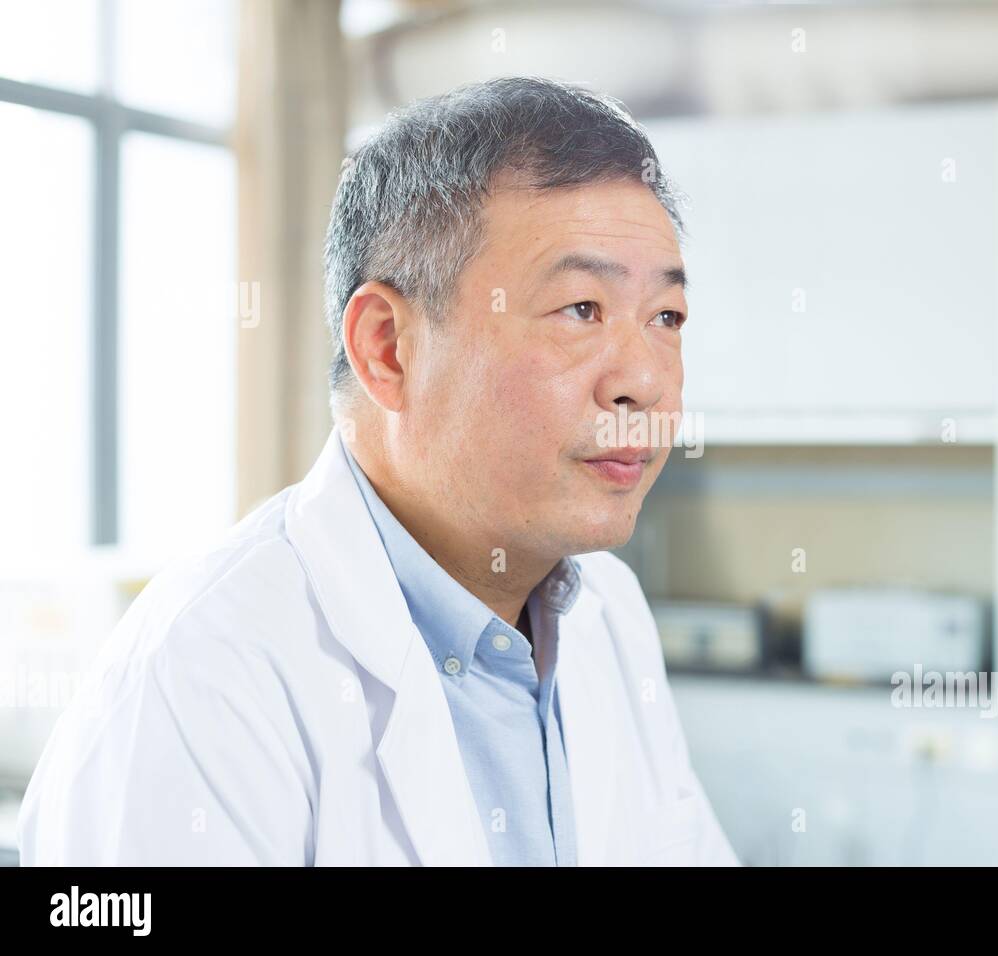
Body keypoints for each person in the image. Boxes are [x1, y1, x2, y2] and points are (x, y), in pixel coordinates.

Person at [18, 75, 739, 867]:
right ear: (387, 349)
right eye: (580, 309)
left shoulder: (608, 615)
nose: (644, 379)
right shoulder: (199, 680)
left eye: (665, 317)